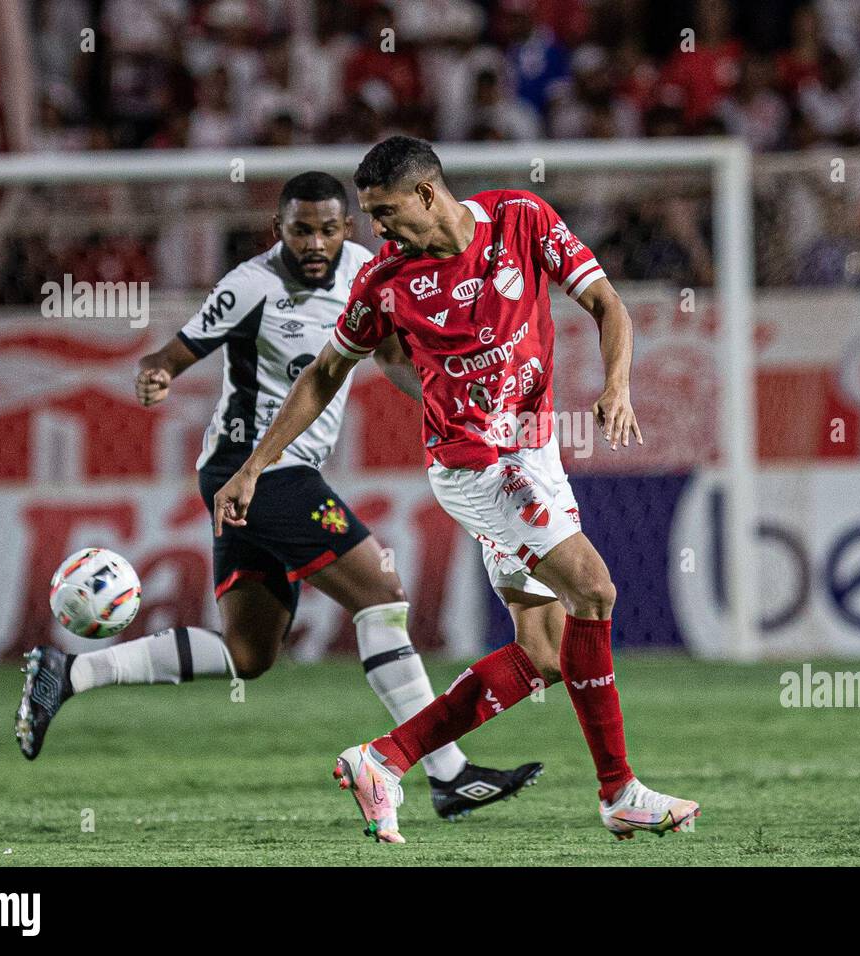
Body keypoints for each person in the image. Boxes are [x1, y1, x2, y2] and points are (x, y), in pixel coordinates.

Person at [213, 137, 700, 843]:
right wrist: (257, 464)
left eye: (383, 213)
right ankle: (619, 791)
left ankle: (386, 758)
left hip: (534, 455)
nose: (375, 230)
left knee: (543, 653)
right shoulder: (385, 280)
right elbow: (324, 372)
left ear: (426, 195)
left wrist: (616, 385)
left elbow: (606, 304)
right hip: (473, 466)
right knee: (594, 589)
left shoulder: (520, 218)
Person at [16, 172, 542, 823]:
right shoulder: (251, 284)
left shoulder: (370, 272)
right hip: (255, 470)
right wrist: (155, 374)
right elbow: (175, 352)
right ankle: (448, 772)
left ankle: (67, 674)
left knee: (249, 654)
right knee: (381, 596)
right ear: (279, 230)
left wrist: (451, 403)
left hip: (268, 474)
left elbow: (390, 354)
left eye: (327, 228)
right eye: (300, 230)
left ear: (347, 228)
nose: (314, 242)